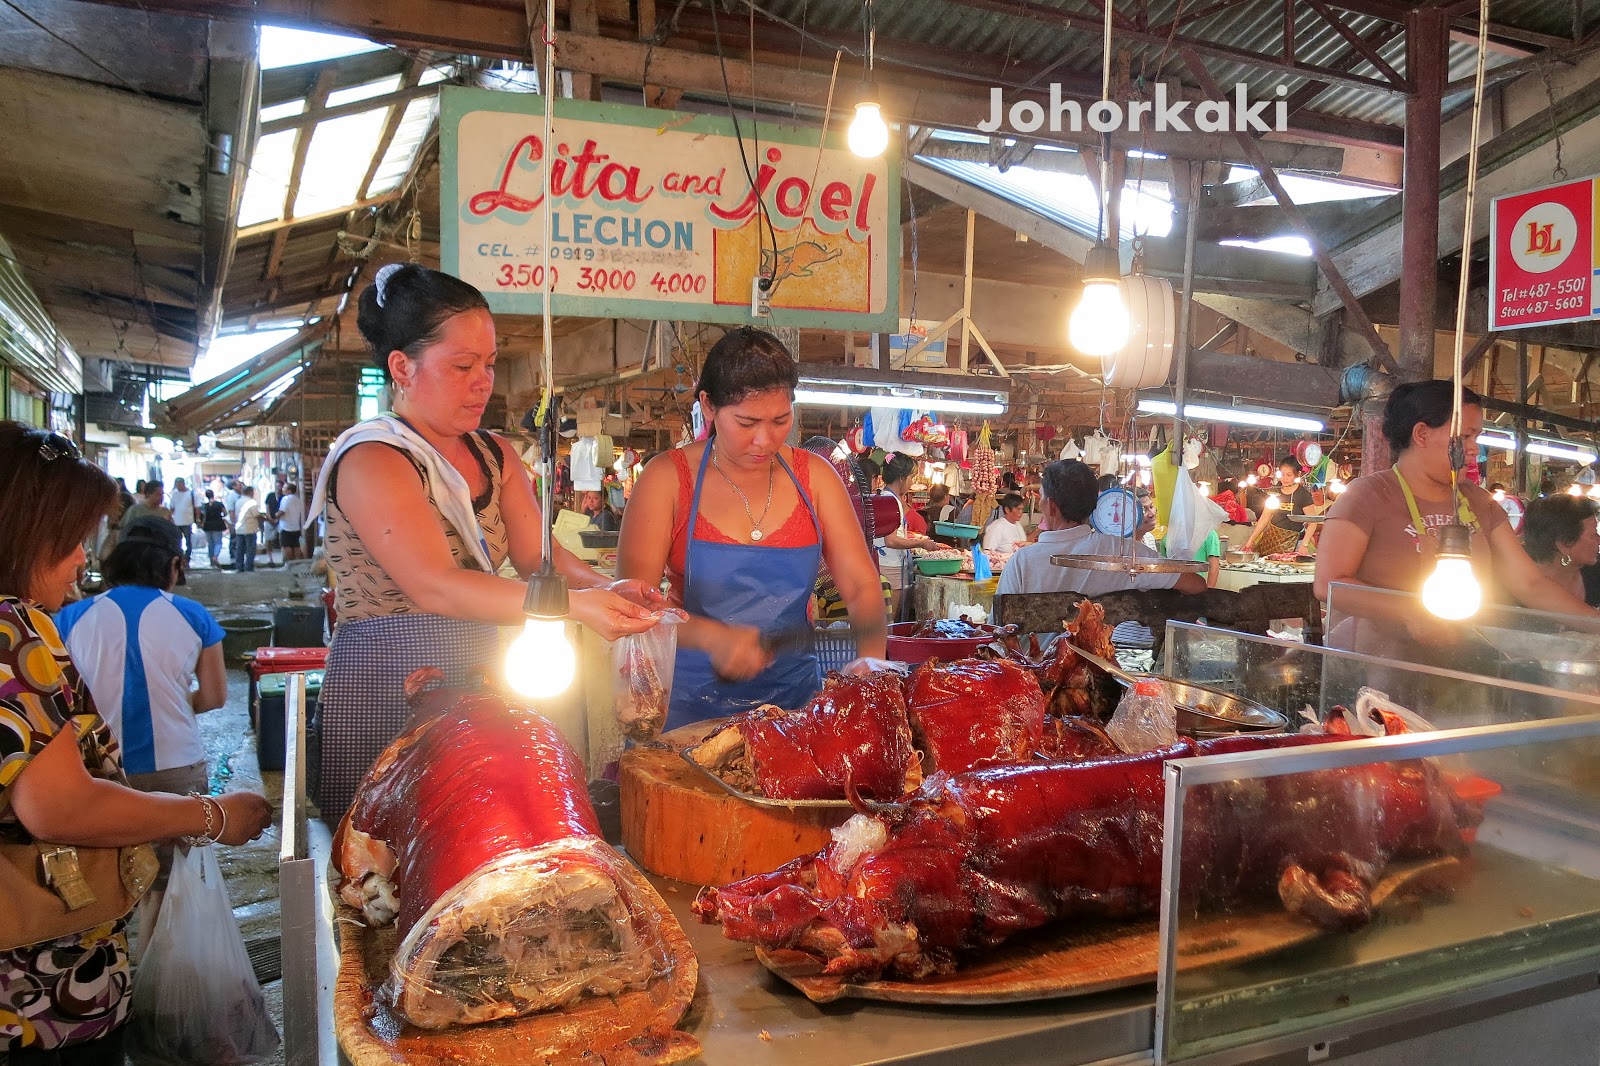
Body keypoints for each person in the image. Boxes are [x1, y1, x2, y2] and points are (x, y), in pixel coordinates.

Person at [311, 263, 662, 818]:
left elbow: (538, 558)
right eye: (462, 365)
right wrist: (575, 607)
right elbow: (437, 587)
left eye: (490, 364)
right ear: (402, 367)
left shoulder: (494, 455)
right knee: (384, 862)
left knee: (482, 832)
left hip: (481, 671)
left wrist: (610, 586)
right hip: (386, 681)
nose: (483, 382)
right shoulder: (373, 458)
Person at [0, 421, 271, 1064]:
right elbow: (61, 808)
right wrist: (211, 815)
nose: (78, 559)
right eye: (67, 539)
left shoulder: (60, 618)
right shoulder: (15, 630)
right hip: (40, 997)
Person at [619, 326, 888, 731]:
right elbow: (631, 605)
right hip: (688, 707)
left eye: (780, 420)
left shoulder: (815, 478)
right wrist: (714, 637)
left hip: (796, 709)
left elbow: (861, 585)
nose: (764, 440)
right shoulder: (666, 480)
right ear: (708, 406)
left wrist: (871, 659)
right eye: (746, 423)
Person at [1315, 380, 1593, 656]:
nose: (1474, 449)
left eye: (1476, 437)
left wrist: (1594, 623)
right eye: (1465, 437)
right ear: (1422, 434)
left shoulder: (1479, 501)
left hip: (1462, 660)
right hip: (1380, 665)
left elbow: (1530, 584)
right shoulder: (1367, 495)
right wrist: (1410, 612)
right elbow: (1329, 583)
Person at [55, 517, 228, 912]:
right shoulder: (194, 615)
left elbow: (60, 704)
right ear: (171, 565)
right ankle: (162, 971)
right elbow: (216, 696)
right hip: (176, 765)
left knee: (103, 883)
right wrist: (178, 705)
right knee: (172, 891)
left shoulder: (68, 619)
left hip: (96, 772)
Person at [997, 459, 1207, 609]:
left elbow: (998, 628)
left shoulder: (1023, 562)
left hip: (1033, 670)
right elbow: (1197, 585)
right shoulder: (1125, 554)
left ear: (1051, 506)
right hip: (1099, 668)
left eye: (1041, 498)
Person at [874, 452, 938, 622]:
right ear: (901, 478)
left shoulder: (883, 495)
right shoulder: (891, 501)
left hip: (885, 564)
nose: (912, 482)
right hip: (890, 567)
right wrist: (921, 543)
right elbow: (891, 540)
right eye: (911, 477)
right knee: (888, 622)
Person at [1521, 494, 1600, 605]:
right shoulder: (1513, 585)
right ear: (1563, 544)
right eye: (1593, 534)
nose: (1599, 540)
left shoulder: (1596, 573)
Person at [1244, 457, 1312, 555]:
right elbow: (1265, 517)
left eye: (1289, 475)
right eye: (1282, 474)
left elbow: (1312, 523)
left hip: (1295, 543)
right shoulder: (1274, 492)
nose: (1285, 478)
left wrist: (1304, 544)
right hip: (1273, 540)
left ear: (1298, 474)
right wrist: (1250, 541)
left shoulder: (1303, 495)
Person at [167, 477, 197, 561]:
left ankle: (187, 558)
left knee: (188, 541)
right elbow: (172, 507)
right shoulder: (175, 494)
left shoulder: (191, 494)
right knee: (177, 541)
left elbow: (196, 507)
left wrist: (197, 519)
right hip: (177, 521)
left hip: (188, 521)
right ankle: (179, 556)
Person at [233, 485, 262, 572]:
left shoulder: (238, 501)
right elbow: (256, 515)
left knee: (240, 549)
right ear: (250, 492)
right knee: (250, 549)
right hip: (250, 528)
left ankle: (239, 566)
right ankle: (248, 566)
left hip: (239, 528)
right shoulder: (251, 502)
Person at [199, 489, 230, 567]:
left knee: (210, 543)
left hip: (207, 526)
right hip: (217, 525)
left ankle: (211, 560)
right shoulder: (219, 504)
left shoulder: (204, 505)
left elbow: (202, 516)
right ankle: (215, 556)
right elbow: (225, 513)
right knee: (218, 542)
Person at [277, 481, 306, 561]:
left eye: (284, 488)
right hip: (296, 527)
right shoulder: (298, 499)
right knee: (296, 546)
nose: (282, 489)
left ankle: (288, 563)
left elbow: (282, 512)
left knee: (286, 546)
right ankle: (298, 563)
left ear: (289, 490)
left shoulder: (285, 499)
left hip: (286, 527)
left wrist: (276, 516)